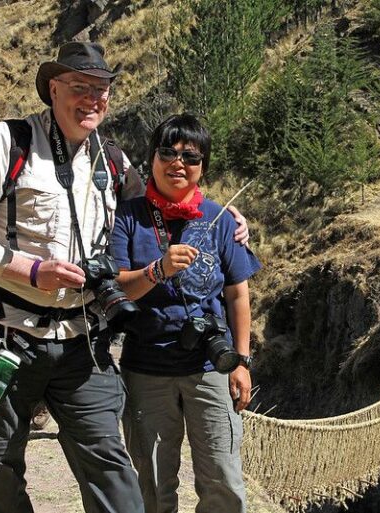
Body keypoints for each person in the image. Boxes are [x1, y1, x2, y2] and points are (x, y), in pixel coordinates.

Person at [0, 43, 247, 513]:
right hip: (1, 332)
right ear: (52, 89)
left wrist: (223, 215)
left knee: (112, 468)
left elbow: (158, 207)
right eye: (80, 87)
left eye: (101, 89)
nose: (92, 99)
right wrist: (29, 269)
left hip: (82, 338)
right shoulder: (6, 142)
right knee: (0, 468)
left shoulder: (113, 161)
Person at [111, 113, 260, 513]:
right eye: (168, 152)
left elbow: (238, 295)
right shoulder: (128, 217)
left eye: (191, 156)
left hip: (211, 367)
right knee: (152, 485)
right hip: (147, 369)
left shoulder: (222, 219)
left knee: (223, 481)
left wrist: (242, 362)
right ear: (151, 159)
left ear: (203, 166)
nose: (178, 163)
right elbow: (117, 287)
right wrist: (158, 270)